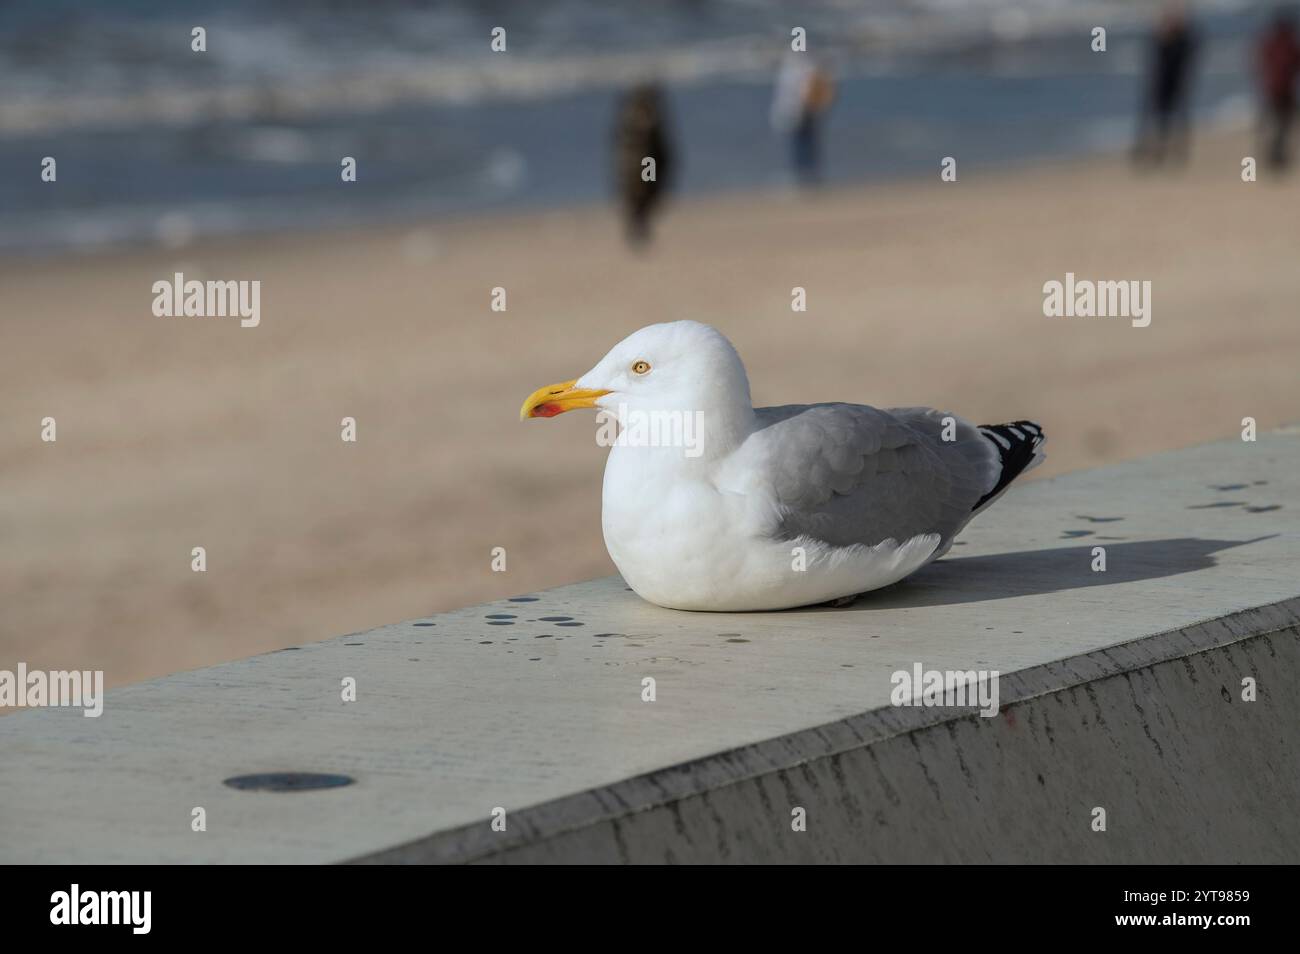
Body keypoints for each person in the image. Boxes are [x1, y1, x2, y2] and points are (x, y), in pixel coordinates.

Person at [1134, 2, 1198, 165]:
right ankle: (1151, 151)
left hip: (1176, 83)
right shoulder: (1163, 40)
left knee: (1175, 119)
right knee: (1155, 119)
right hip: (1160, 83)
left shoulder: (1183, 41)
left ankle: (1174, 152)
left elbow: (1189, 54)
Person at [613, 83, 675, 245]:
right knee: (644, 189)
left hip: (643, 162)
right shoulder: (639, 120)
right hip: (644, 162)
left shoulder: (640, 119)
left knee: (644, 189)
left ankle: (639, 229)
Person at [771, 56, 836, 184]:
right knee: (806, 145)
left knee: (802, 145)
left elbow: (801, 94)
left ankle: (806, 176)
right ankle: (808, 175)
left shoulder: (798, 70)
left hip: (804, 111)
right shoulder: (805, 68)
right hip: (806, 111)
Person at [1257, 9, 1300, 169]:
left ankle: (1274, 156)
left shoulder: (1270, 43)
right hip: (1283, 91)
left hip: (1271, 90)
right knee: (1283, 125)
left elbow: (1261, 63)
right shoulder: (1289, 44)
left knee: (1275, 125)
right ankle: (1276, 157)